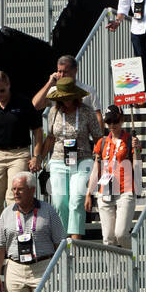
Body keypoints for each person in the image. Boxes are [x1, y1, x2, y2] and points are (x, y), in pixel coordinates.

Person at [0, 172, 65, 292]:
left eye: (20, 189)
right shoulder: (6, 213)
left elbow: (60, 243)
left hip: (42, 267)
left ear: (32, 190)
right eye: (13, 189)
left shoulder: (48, 211)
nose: (15, 193)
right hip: (15, 268)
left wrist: (62, 271)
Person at [0, 70, 43, 224]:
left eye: (2, 91)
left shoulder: (23, 102)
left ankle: (16, 232)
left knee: (14, 196)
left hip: (19, 153)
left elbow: (38, 132)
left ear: (8, 85)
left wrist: (36, 155)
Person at [38, 78, 97, 239]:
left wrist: (101, 160)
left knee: (77, 199)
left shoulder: (87, 111)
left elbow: (98, 138)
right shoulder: (53, 112)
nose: (66, 100)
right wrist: (39, 158)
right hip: (58, 159)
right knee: (58, 202)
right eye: (62, 97)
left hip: (83, 158)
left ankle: (75, 244)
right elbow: (50, 137)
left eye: (68, 96)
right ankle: (62, 241)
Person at [84, 105, 142, 250]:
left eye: (115, 121)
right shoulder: (102, 142)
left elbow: (137, 167)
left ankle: (134, 261)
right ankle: (113, 273)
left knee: (121, 234)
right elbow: (96, 169)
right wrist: (88, 193)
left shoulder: (130, 140)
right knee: (108, 239)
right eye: (108, 122)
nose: (112, 125)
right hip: (105, 191)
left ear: (121, 120)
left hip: (125, 190)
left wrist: (137, 151)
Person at [33, 54, 102, 134]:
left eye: (65, 72)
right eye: (59, 71)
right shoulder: (53, 91)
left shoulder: (88, 91)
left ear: (75, 71)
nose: (61, 75)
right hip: (59, 139)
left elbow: (97, 115)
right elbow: (36, 106)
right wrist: (49, 84)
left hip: (81, 139)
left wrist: (99, 141)